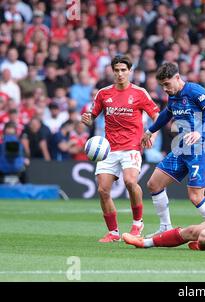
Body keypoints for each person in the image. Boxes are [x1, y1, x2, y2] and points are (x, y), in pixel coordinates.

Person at [81, 55, 160, 242]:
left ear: (130, 71)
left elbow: (157, 116)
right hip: (109, 148)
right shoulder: (103, 94)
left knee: (131, 182)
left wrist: (152, 134)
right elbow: (92, 116)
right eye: (116, 70)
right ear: (112, 71)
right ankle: (114, 232)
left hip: (132, 146)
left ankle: (137, 223)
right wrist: (87, 120)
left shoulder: (140, 93)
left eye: (123, 70)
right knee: (102, 190)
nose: (120, 74)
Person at [140, 62, 205, 237]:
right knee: (153, 184)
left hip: (201, 149)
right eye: (162, 85)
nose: (165, 89)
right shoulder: (173, 96)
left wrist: (200, 132)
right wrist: (150, 130)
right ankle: (165, 228)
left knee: (195, 196)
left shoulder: (194, 91)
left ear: (177, 78)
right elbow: (166, 115)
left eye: (167, 84)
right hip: (181, 148)